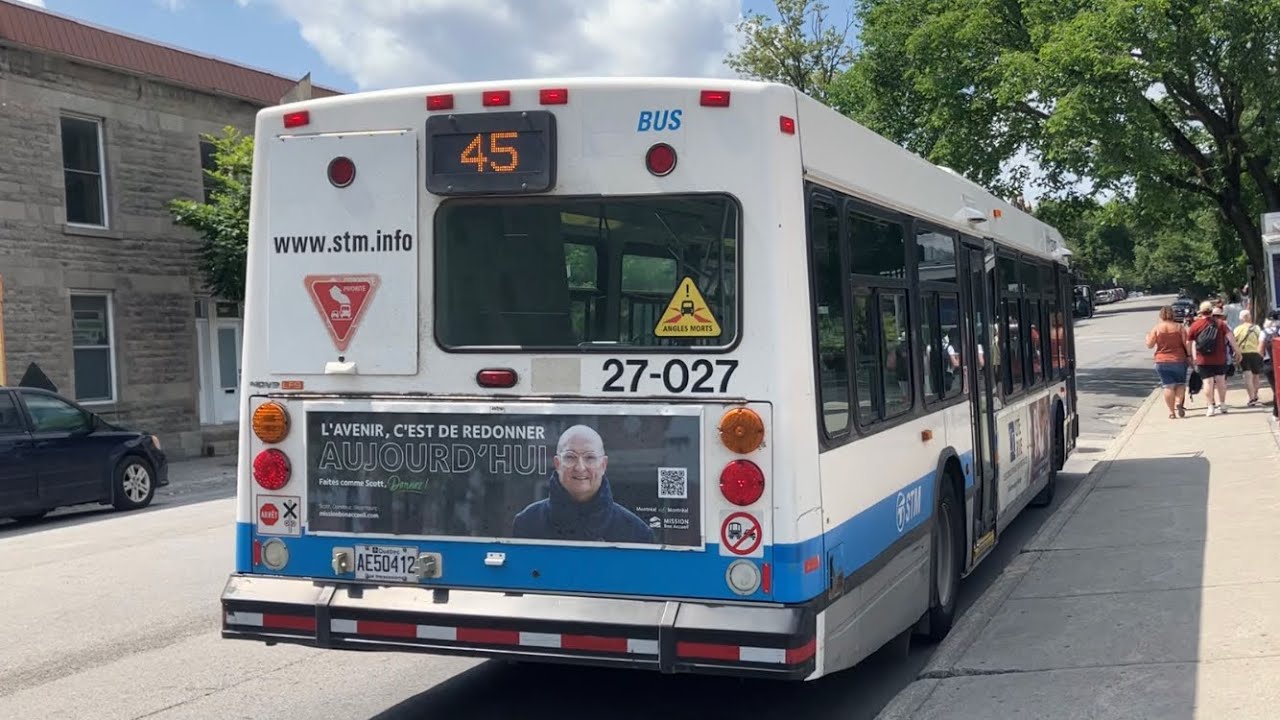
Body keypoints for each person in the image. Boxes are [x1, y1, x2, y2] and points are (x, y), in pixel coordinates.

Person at [512, 424, 655, 543]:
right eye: (570, 457)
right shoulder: (527, 523)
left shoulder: (635, 532)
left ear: (603, 465)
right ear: (557, 463)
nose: (580, 467)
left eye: (590, 457)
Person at [1188, 301, 1241, 417]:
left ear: (1201, 312)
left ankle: (1210, 407)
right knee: (1221, 381)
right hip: (1219, 358)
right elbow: (1231, 338)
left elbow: (1189, 342)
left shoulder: (1195, 325)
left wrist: (1191, 357)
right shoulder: (1220, 324)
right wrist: (1237, 352)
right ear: (1211, 311)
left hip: (1203, 359)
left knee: (1207, 382)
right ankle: (1222, 404)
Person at [1146, 305, 1192, 418]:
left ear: (1161, 315)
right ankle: (1178, 403)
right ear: (1173, 314)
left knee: (1168, 386)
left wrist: (1147, 337)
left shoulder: (1157, 328)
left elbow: (1150, 345)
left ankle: (1171, 412)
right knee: (1180, 384)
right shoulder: (1179, 327)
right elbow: (1186, 343)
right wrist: (1189, 356)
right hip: (1179, 359)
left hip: (1162, 360)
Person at [1232, 310, 1265, 407]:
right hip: (1256, 353)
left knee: (1247, 376)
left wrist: (1236, 353)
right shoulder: (1257, 328)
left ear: (1241, 318)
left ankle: (1251, 398)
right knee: (1256, 376)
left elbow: (1234, 341)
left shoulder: (1238, 329)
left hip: (1244, 354)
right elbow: (1261, 340)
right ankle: (1255, 395)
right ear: (1250, 317)